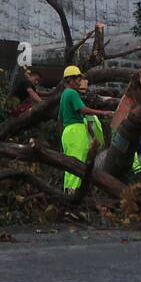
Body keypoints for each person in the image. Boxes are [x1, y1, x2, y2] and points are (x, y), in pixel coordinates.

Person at [57, 65, 112, 193]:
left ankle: (69, 193)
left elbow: (59, 119)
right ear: (69, 80)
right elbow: (83, 110)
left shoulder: (64, 95)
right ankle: (72, 194)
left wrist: (61, 139)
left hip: (67, 132)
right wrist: (103, 113)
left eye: (79, 79)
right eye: (76, 79)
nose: (79, 81)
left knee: (69, 165)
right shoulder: (72, 93)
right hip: (76, 131)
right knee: (76, 164)